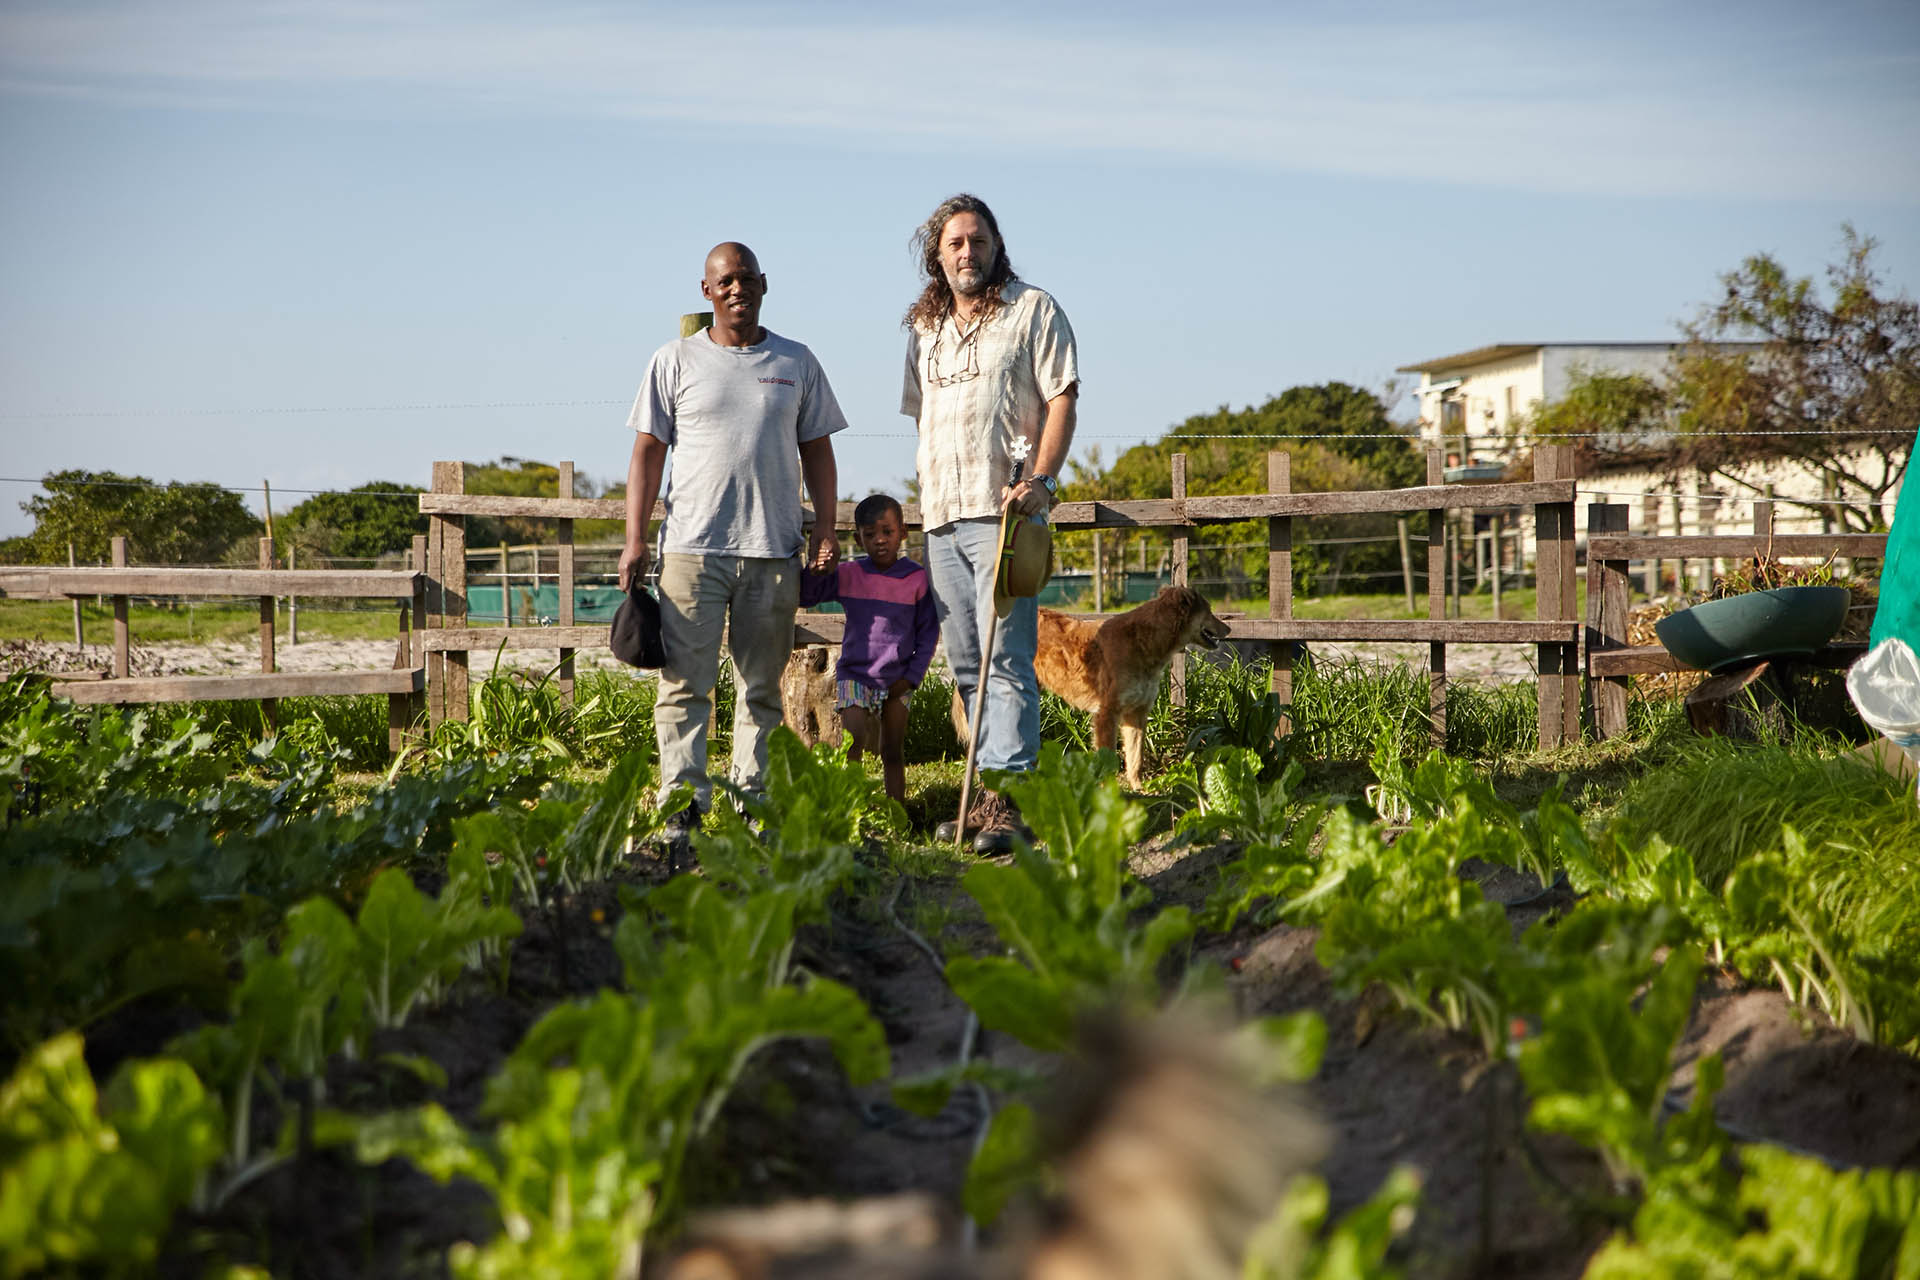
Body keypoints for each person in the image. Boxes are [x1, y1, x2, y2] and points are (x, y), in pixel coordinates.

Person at [621, 242, 846, 843]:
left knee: (762, 688)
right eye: (725, 281)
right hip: (692, 550)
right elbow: (647, 453)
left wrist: (824, 525)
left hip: (772, 550)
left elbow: (818, 450)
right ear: (706, 292)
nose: (737, 289)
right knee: (683, 684)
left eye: (747, 279)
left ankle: (754, 803)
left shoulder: (795, 362)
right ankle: (682, 807)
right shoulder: (674, 360)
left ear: (765, 285)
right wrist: (634, 538)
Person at [901, 194, 1078, 852]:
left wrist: (1041, 479)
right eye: (954, 243)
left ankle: (1009, 805)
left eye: (978, 241)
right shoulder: (924, 329)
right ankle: (979, 804)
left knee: (1007, 659)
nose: (967, 253)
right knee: (968, 664)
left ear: (996, 247)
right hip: (942, 513)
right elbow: (922, 414)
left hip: (1004, 513)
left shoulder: (1033, 310)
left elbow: (1061, 399)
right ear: (937, 255)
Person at [799, 493, 939, 803]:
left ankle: (896, 812)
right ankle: (850, 805)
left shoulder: (917, 579)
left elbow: (928, 633)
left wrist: (912, 677)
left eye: (887, 532)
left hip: (898, 678)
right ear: (859, 540)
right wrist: (818, 568)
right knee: (853, 740)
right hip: (856, 675)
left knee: (892, 749)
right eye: (870, 534)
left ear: (903, 532)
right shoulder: (850, 574)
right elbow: (806, 596)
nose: (880, 540)